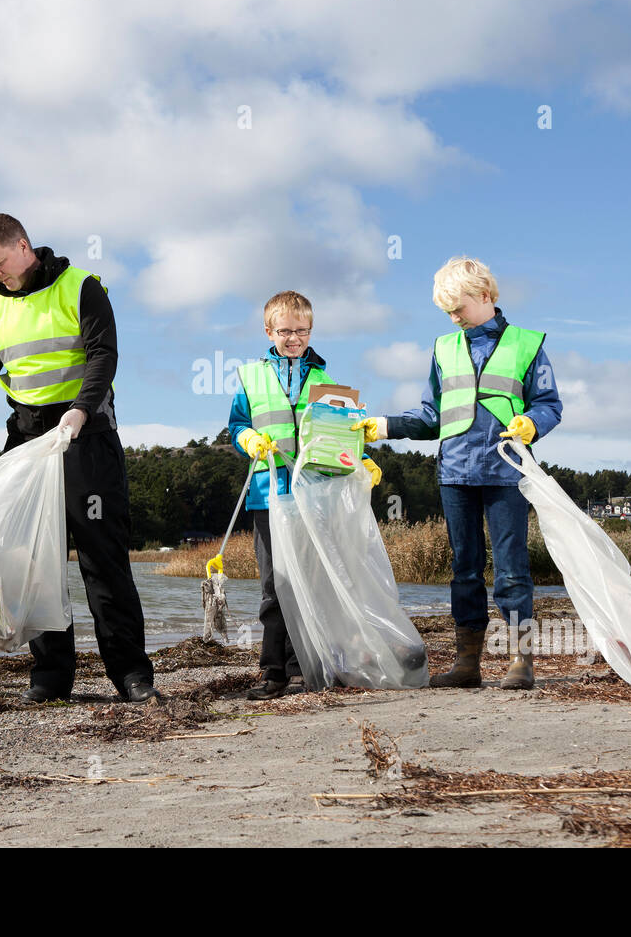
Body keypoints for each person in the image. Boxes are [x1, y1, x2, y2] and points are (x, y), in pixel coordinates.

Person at [0, 213, 158, 704]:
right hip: (26, 444)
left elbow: (104, 353)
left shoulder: (81, 287)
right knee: (29, 560)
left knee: (102, 560)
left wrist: (81, 410)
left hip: (86, 438)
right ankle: (50, 678)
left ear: (23, 246)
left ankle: (131, 675)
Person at [354, 258, 561, 690]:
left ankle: (521, 660)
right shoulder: (443, 348)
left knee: (511, 569)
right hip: (455, 472)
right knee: (463, 569)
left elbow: (548, 403)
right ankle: (468, 664)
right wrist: (386, 425)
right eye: (446, 311)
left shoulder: (528, 343)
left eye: (458, 307)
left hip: (507, 471)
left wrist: (533, 423)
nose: (453, 318)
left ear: (485, 296)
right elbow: (432, 416)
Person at [224, 290, 382, 700]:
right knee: (275, 584)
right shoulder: (249, 376)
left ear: (311, 330)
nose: (293, 338)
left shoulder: (327, 383)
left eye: (301, 331)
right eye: (284, 331)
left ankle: (304, 666)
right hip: (267, 492)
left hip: (314, 495)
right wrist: (250, 440)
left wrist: (359, 461)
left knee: (311, 580)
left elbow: (341, 438)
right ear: (268, 331)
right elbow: (236, 425)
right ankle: (273, 672)